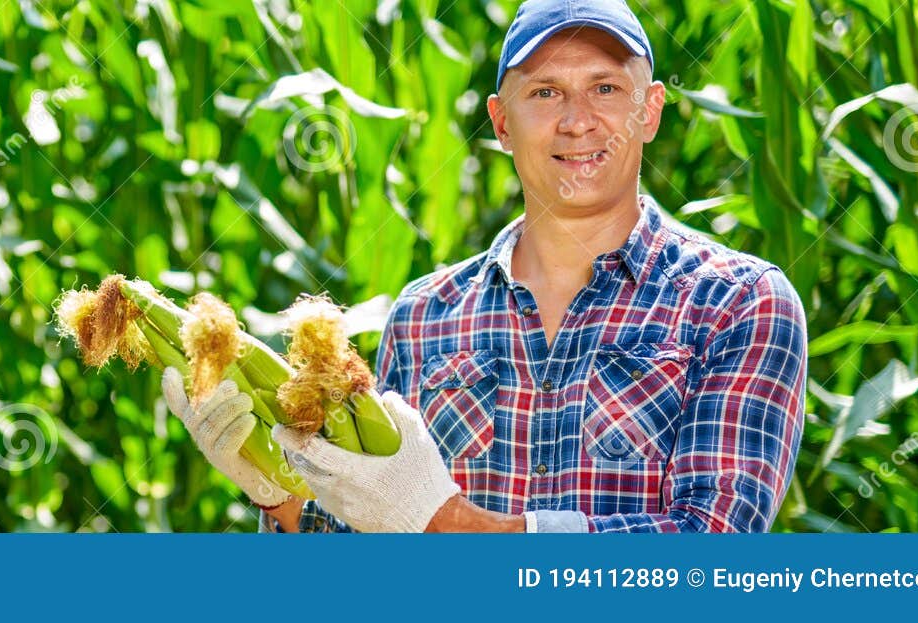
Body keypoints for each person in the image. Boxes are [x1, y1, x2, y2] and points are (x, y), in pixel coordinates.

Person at [162, 0, 808, 532]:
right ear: (502, 122)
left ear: (650, 111)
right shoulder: (425, 316)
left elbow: (712, 549)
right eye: (546, 92)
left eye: (606, 89)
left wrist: (441, 521)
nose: (578, 121)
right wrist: (280, 495)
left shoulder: (738, 303)